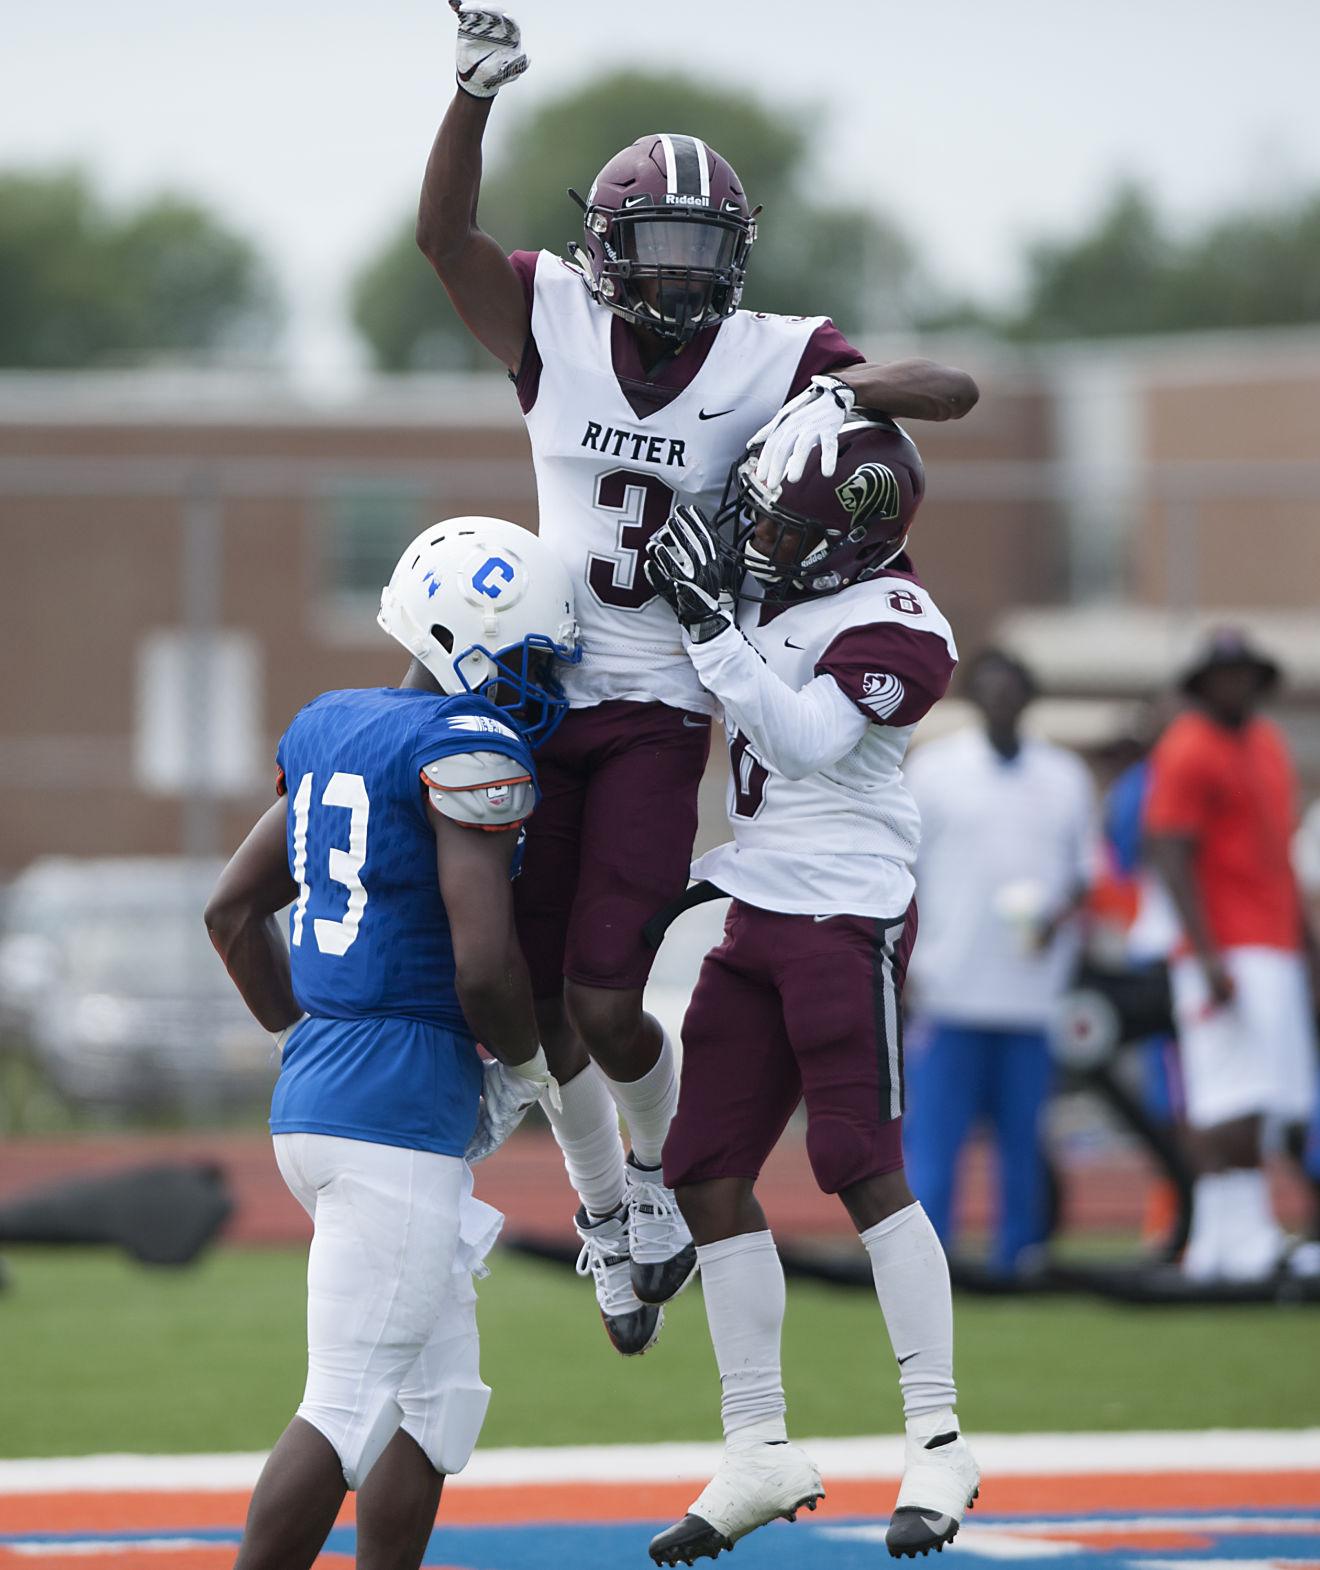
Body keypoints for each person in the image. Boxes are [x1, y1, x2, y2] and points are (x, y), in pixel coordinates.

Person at [416, 2, 981, 1354]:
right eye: (655, 250)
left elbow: (949, 388)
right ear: (607, 254)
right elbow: (441, 240)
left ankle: (656, 1194)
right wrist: (473, 96)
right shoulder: (548, 312)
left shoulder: (775, 355)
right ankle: (610, 1215)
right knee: (528, 1001)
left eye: (700, 252)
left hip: (666, 704)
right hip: (540, 687)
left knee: (611, 1001)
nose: (678, 278)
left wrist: (842, 400)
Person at [203, 518, 580, 1570]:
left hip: (327, 1092)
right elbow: (484, 966)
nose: (532, 681)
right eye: (525, 655)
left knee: (435, 1403)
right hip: (397, 1110)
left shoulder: (333, 726)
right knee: (348, 1402)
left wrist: (307, 1024)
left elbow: (231, 912)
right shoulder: (464, 745)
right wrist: (531, 1067)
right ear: (462, 629)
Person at [641, 418, 978, 1564]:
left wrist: (706, 627)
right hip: (756, 909)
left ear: (855, 537)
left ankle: (937, 1436)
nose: (767, 538)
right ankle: (758, 1445)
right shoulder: (777, 590)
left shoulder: (900, 622)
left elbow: (797, 743)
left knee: (855, 1159)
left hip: (848, 910)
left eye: (791, 524)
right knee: (703, 1168)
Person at [902, 650, 1097, 1276]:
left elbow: (1086, 878)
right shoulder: (935, 771)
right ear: (974, 697)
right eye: (991, 688)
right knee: (935, 1139)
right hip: (947, 987)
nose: (1003, 700)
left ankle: (1021, 1254)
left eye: (1015, 689)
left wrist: (1058, 921)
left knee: (1023, 1139)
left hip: (1031, 993)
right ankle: (930, 1261)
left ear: (1030, 697)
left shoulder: (1065, 777)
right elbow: (899, 873)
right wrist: (901, 968)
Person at [1144, 628, 1319, 1282]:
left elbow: (1280, 859)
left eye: (1245, 673)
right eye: (1224, 675)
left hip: (1272, 944)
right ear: (1203, 683)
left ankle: (1222, 1241)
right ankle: (1243, 1238)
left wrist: (1308, 951)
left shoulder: (1268, 744)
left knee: (1266, 1097)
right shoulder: (1189, 746)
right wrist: (1209, 954)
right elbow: (1168, 849)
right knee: (1229, 1099)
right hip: (1225, 948)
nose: (1236, 685)